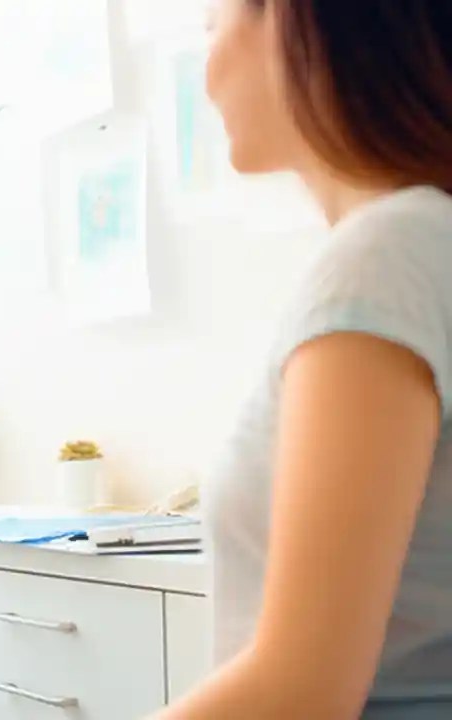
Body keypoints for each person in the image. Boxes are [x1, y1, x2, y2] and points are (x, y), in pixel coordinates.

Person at [157, 1, 452, 718]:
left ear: (292, 22)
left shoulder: (386, 255)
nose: (207, 71)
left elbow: (300, 691)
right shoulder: (420, 241)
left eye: (212, 25)